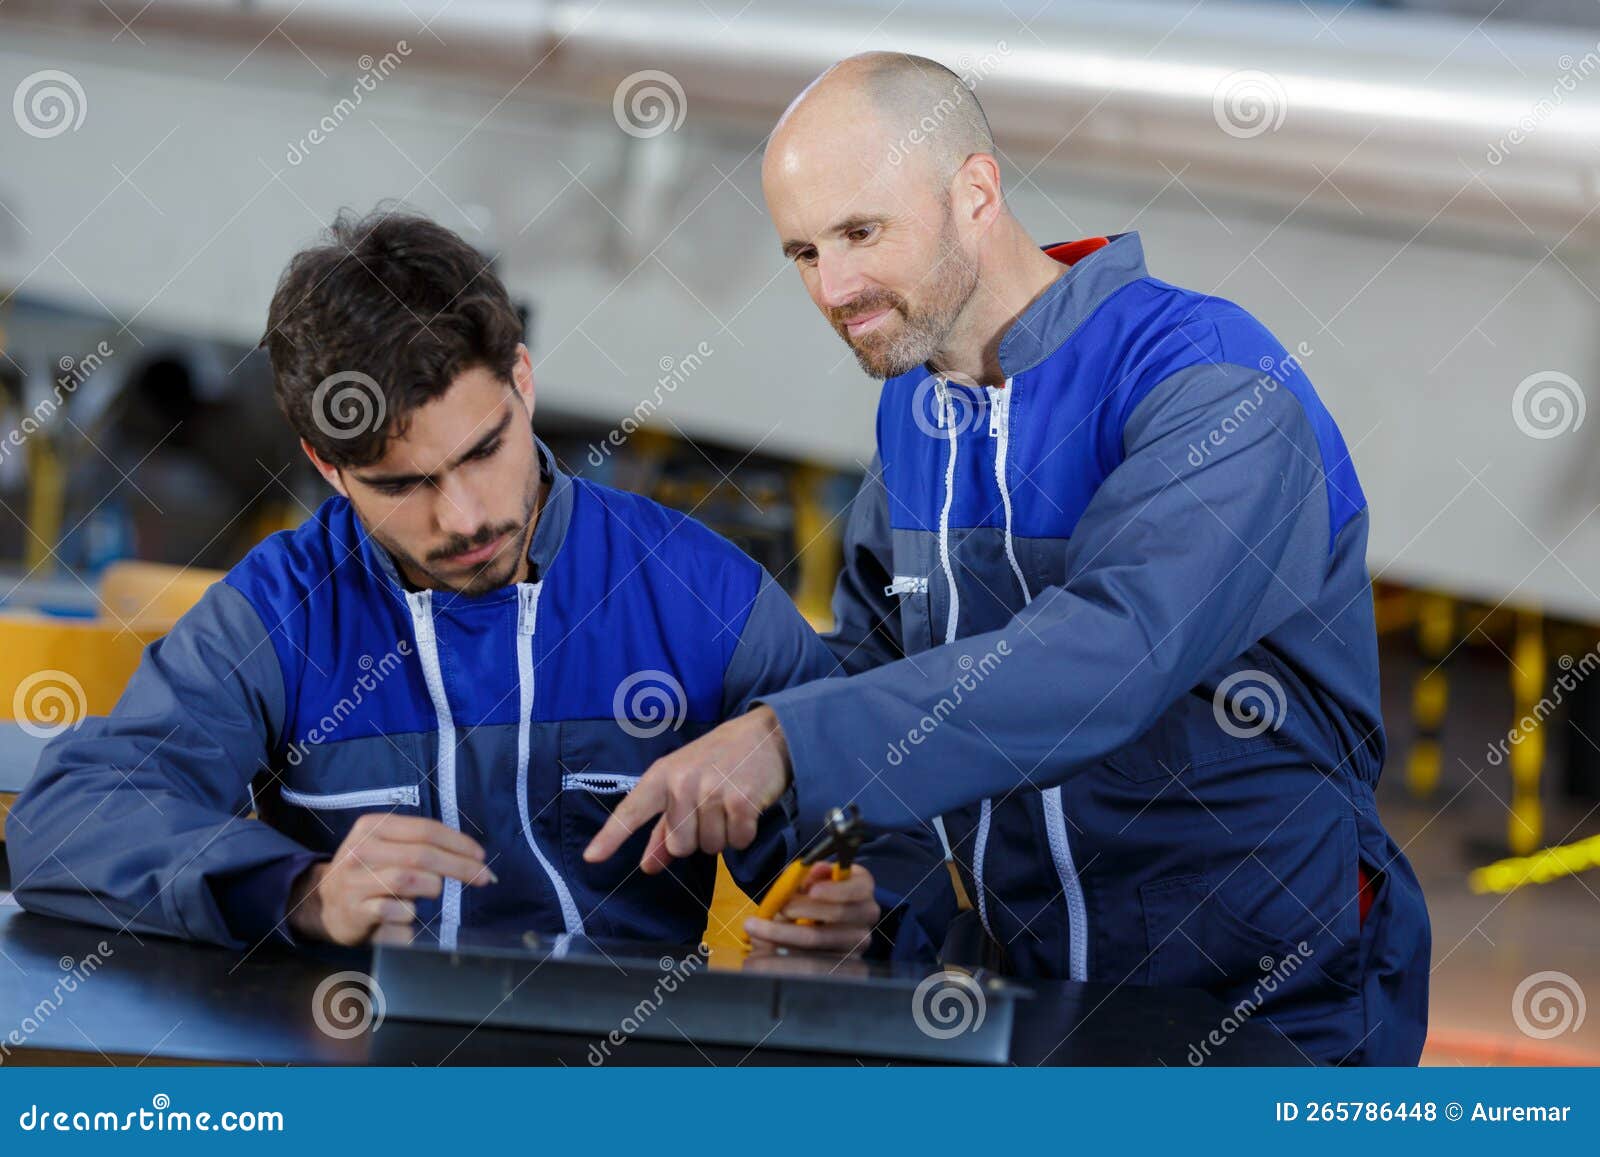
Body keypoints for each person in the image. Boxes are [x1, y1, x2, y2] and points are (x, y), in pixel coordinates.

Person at [586, 52, 1430, 1064]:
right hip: (1017, 999)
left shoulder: (1210, 382)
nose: (834, 286)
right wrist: (869, 891)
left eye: (861, 231)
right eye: (803, 252)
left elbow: (1110, 652)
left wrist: (786, 741)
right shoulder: (916, 406)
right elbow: (885, 671)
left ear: (974, 192)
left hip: (1262, 1009)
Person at [6, 209, 947, 959]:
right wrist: (297, 889)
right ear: (326, 468)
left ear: (523, 383)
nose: (462, 518)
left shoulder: (705, 599)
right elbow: (67, 823)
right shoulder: (280, 612)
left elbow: (887, 830)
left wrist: (864, 912)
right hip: (357, 1078)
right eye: (403, 485)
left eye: (483, 451)